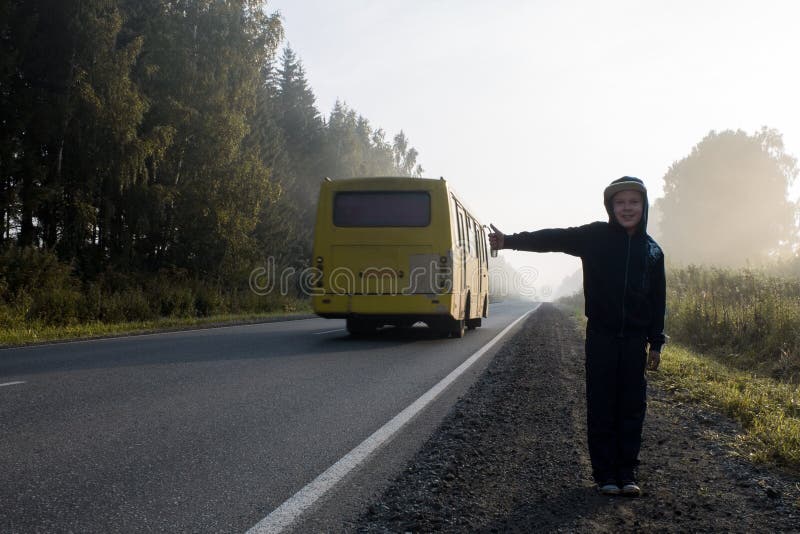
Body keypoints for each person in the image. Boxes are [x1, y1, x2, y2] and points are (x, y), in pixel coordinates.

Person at [488, 176, 665, 497]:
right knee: (602, 404)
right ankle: (605, 475)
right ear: (611, 207)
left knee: (632, 407)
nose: (627, 208)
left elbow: (658, 300)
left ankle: (627, 473)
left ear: (644, 206)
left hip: (636, 341)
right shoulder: (595, 236)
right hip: (602, 337)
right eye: (620, 202)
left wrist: (657, 341)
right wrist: (509, 240)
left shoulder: (653, 251)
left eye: (633, 202)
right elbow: (553, 238)